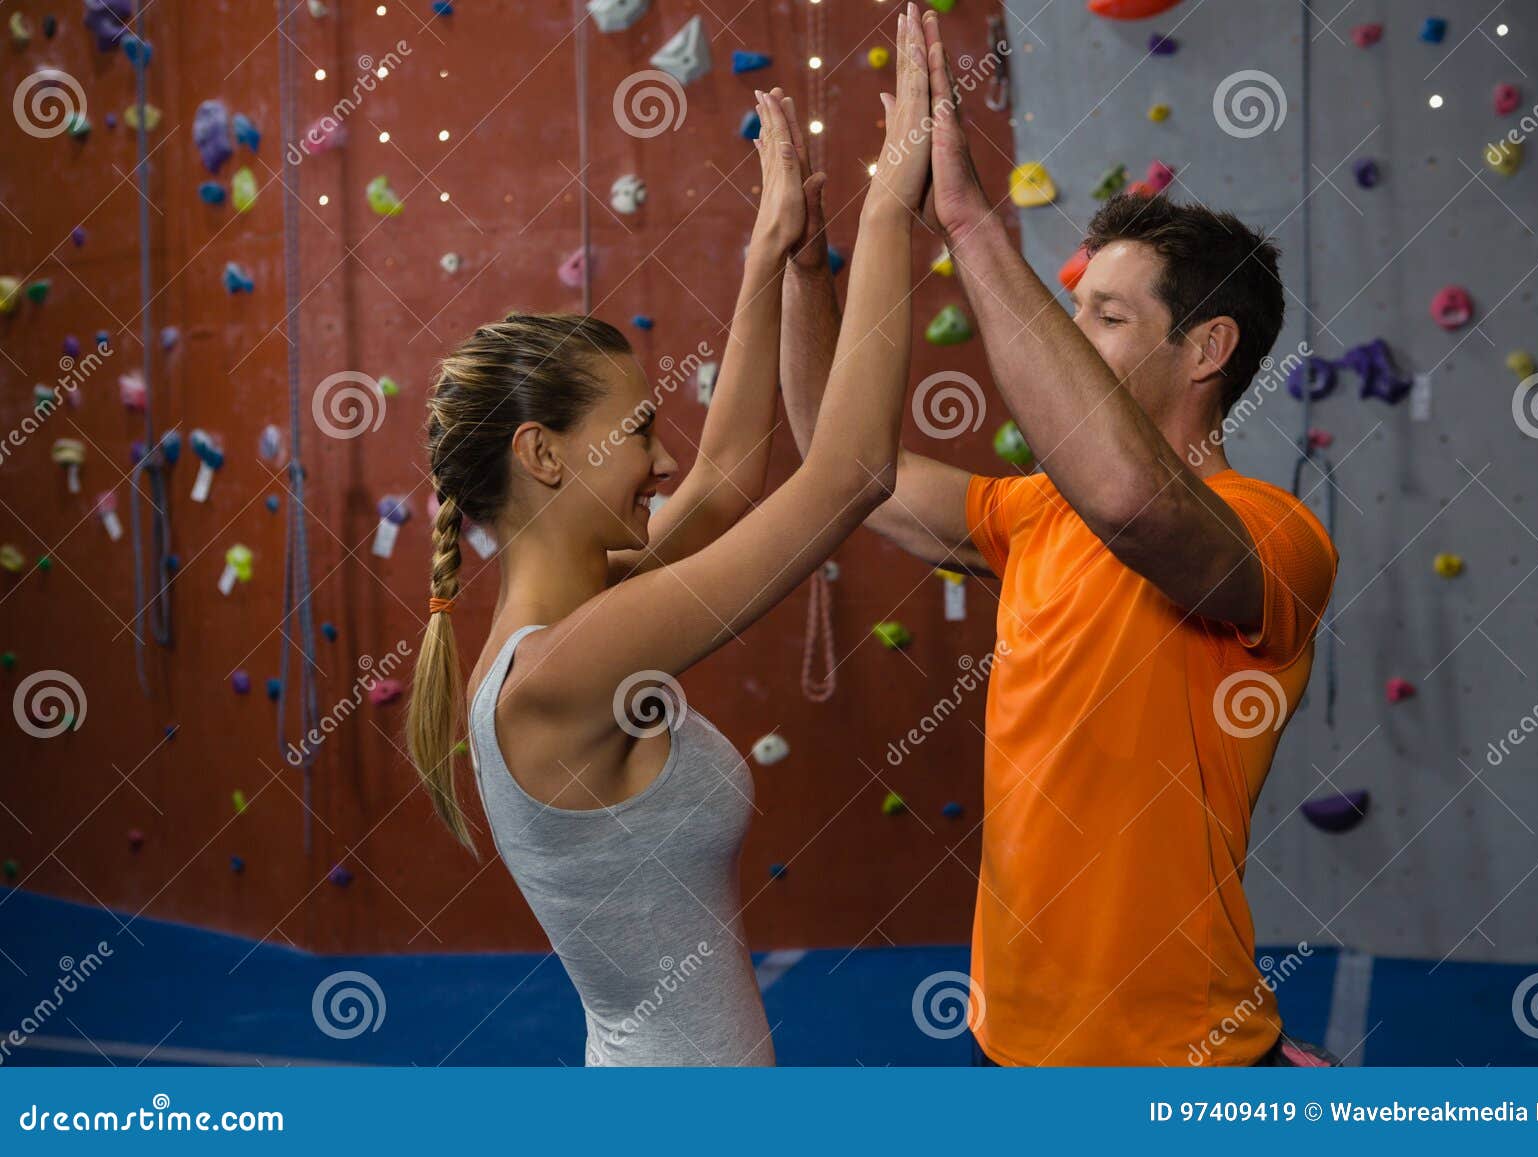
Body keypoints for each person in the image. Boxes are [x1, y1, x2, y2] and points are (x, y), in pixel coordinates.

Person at [779, 8, 1338, 1066]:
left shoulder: (1276, 533)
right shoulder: (1034, 509)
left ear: (1206, 346)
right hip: (1012, 1042)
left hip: (1179, 1055)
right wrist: (815, 274)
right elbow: (841, 466)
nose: (1073, 336)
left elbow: (1137, 502)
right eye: (1078, 309)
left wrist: (972, 221)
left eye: (1108, 316)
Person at [404, 7, 935, 1066]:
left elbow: (732, 476)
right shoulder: (561, 670)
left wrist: (775, 254)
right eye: (638, 430)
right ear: (545, 456)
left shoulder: (584, 618)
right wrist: (893, 211)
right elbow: (850, 474)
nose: (659, 460)